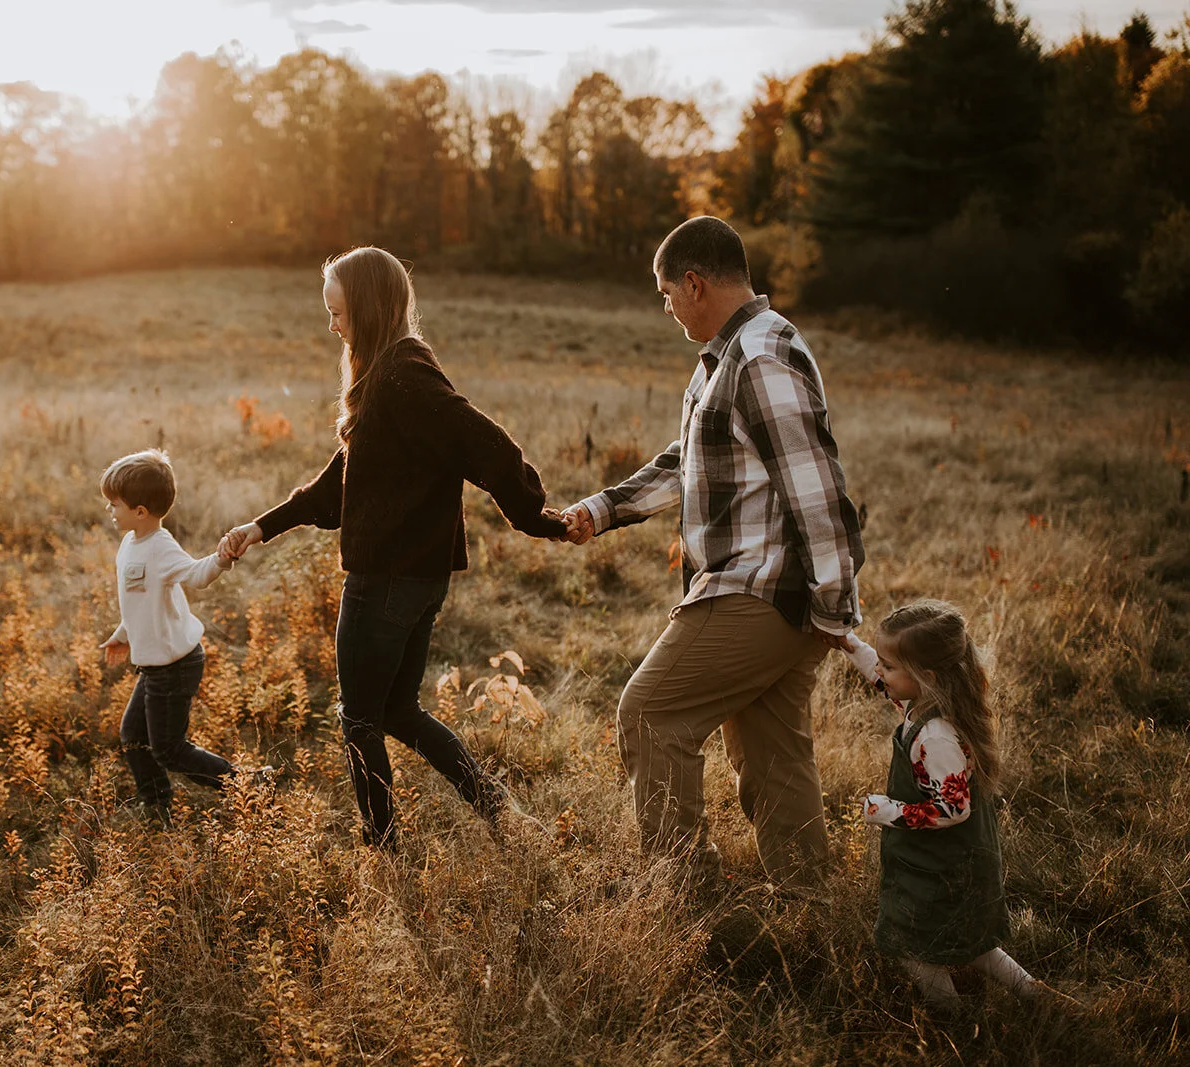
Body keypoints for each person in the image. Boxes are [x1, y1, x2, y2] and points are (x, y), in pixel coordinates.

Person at [219, 246, 567, 850]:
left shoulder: (403, 374)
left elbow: (484, 443)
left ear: (372, 308)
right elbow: (343, 478)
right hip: (417, 579)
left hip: (387, 582)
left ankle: (383, 849)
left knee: (359, 718)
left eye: (340, 313)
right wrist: (263, 526)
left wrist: (534, 516)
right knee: (398, 712)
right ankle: (500, 813)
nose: (331, 325)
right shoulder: (387, 371)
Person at [560, 215, 864, 887]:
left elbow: (817, 492)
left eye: (667, 293)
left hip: (762, 590)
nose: (667, 308)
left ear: (695, 284)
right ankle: (810, 904)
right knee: (773, 751)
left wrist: (835, 611)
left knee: (651, 711)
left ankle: (680, 892)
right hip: (769, 591)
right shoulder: (729, 357)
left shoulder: (759, 357)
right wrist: (603, 508)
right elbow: (690, 461)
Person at [845, 600, 1064, 1008]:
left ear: (925, 677)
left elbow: (952, 809)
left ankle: (952, 1018)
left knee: (914, 946)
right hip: (944, 858)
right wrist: (849, 645)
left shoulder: (936, 737)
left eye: (889, 666)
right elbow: (884, 683)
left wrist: (887, 810)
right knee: (972, 940)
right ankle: (1033, 993)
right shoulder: (922, 703)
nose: (880, 672)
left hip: (944, 863)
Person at [99, 449, 263, 820]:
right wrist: (124, 633)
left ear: (140, 512)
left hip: (174, 664)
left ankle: (248, 787)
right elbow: (138, 600)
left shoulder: (160, 547)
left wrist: (222, 559)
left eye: (115, 504)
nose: (110, 510)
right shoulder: (130, 544)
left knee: (169, 749)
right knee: (134, 738)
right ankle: (156, 804)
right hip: (156, 663)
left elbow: (195, 575)